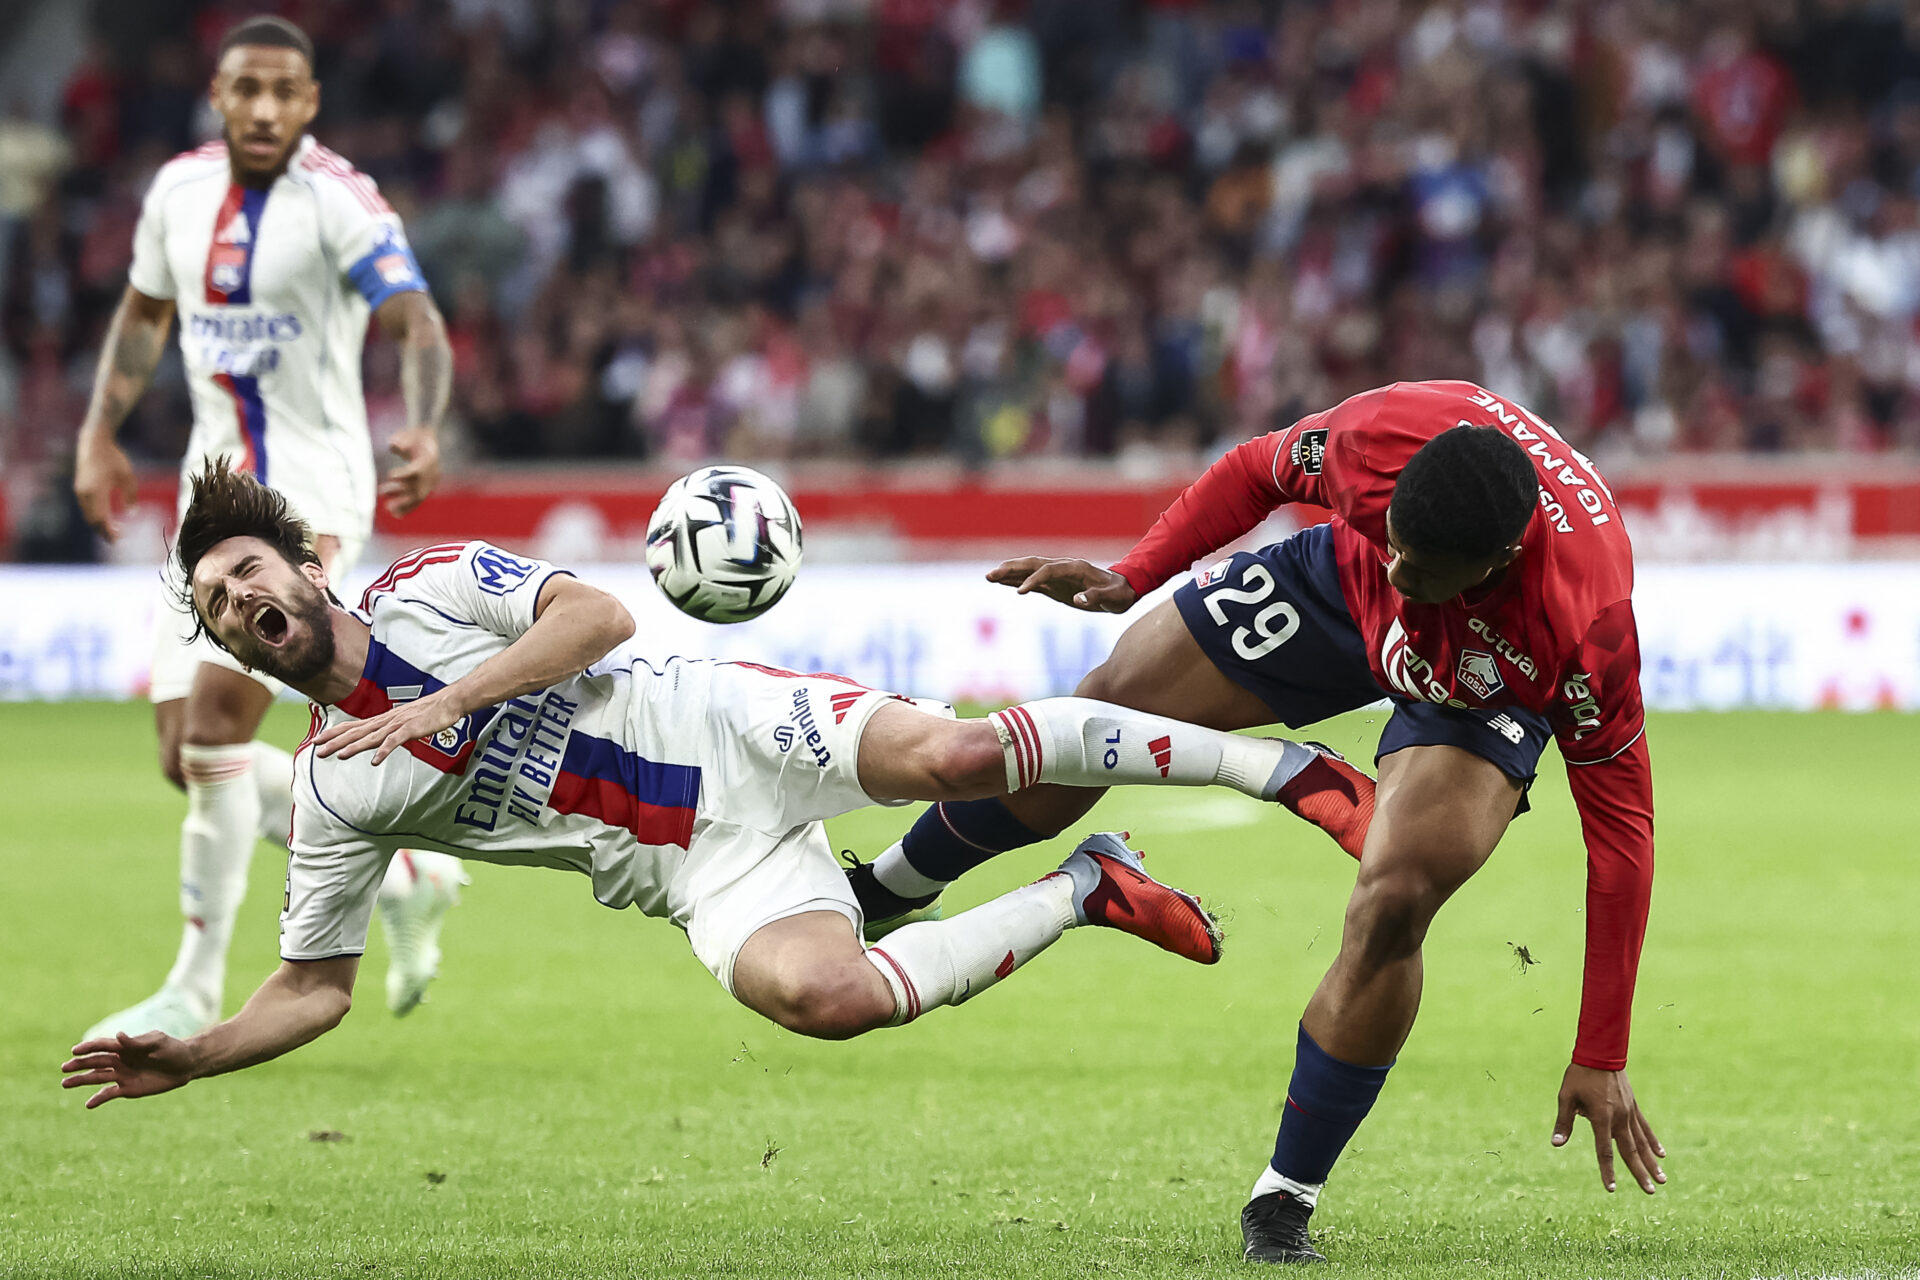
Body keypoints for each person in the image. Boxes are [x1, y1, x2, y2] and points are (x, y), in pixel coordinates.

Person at [61, 462, 1375, 1107]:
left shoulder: (429, 587)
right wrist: (200, 1053)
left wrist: (448, 702)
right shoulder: (334, 792)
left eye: (249, 571)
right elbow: (314, 986)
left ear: (304, 568)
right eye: (218, 604)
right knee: (826, 999)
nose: (240, 599)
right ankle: (1089, 889)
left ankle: (1285, 766)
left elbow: (598, 619)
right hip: (694, 868)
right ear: (232, 644)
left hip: (727, 725)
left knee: (963, 757)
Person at [843, 380, 1664, 1263]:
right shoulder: (1375, 448)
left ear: (1501, 559)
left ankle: (1284, 1199)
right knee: (1102, 717)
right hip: (1334, 584)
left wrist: (1601, 1051)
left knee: (1396, 896)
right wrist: (1134, 574)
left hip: (1479, 693)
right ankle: (895, 886)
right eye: (1397, 542)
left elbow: (1621, 836)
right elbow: (1255, 470)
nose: (1403, 575)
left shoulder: (1584, 631)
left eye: (1423, 570)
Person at [71, 16, 464, 1039]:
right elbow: (145, 314)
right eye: (245, 88)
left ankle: (193, 989)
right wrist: (99, 433)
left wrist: (425, 424)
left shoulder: (340, 200)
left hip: (308, 497)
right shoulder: (177, 192)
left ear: (310, 102)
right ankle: (411, 874)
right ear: (217, 93)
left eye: (283, 91)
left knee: (215, 731)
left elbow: (415, 319)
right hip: (209, 504)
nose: (262, 108)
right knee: (186, 754)